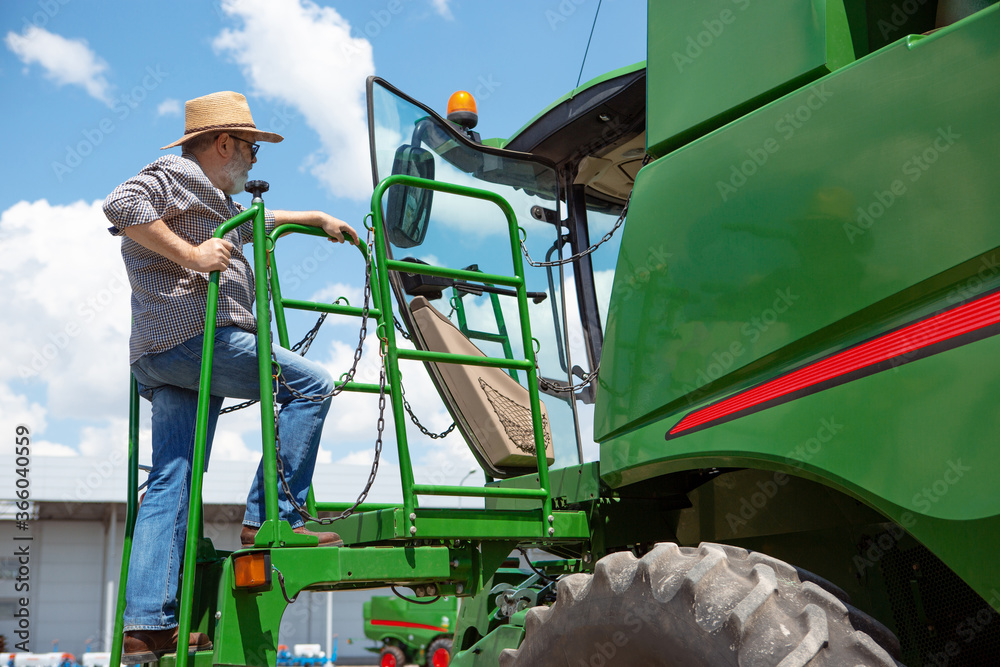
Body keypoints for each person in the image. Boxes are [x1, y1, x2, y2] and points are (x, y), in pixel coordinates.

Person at [103, 91, 359, 663]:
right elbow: (121, 205)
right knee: (310, 385)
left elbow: (251, 225)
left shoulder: (210, 201)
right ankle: (270, 521)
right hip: (199, 340)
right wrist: (193, 258)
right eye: (250, 149)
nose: (254, 161)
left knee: (172, 476)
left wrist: (313, 218)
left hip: (163, 355)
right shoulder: (176, 172)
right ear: (224, 143)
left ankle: (147, 625)